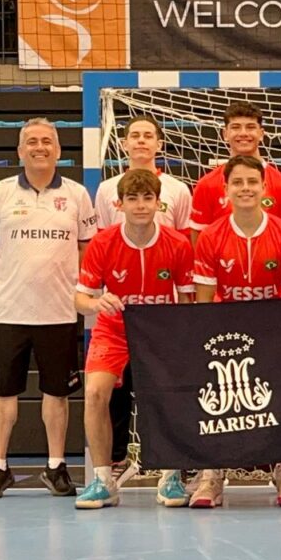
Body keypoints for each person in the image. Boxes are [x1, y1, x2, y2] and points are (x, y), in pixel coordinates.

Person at [0, 118, 97, 499]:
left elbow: (87, 248)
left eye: (46, 141)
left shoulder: (77, 195)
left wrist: (64, 282)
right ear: (20, 150)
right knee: (2, 393)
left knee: (57, 394)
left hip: (59, 313)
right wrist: (12, 275)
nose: (39, 147)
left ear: (58, 150)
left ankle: (56, 467)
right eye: (31, 141)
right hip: (8, 313)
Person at [73, 170, 195, 509]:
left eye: (147, 198)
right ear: (120, 204)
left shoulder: (177, 243)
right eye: (132, 199)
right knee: (95, 393)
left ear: (158, 203)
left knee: (170, 397)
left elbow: (188, 299)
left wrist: (181, 339)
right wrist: (97, 303)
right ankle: (103, 480)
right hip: (114, 330)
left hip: (161, 332)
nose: (140, 205)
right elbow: (80, 298)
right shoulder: (103, 243)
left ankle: (171, 476)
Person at [192, 155, 281, 507]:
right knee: (214, 395)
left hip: (274, 328)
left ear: (264, 187)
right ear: (226, 189)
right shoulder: (210, 236)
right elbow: (203, 301)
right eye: (238, 182)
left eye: (252, 182)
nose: (245, 189)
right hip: (226, 329)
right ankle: (212, 474)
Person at [93, 115, 192, 480]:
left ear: (159, 144)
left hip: (162, 312)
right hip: (122, 310)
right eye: (134, 135)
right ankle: (113, 463)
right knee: (113, 391)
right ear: (124, 144)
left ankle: (172, 467)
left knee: (164, 392)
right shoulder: (106, 190)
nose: (141, 141)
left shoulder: (178, 190)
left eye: (148, 135)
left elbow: (185, 242)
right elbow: (104, 244)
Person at [189, 100, 281, 242]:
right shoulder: (206, 185)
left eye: (250, 127)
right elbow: (199, 240)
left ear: (261, 134)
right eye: (236, 127)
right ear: (225, 134)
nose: (243, 133)